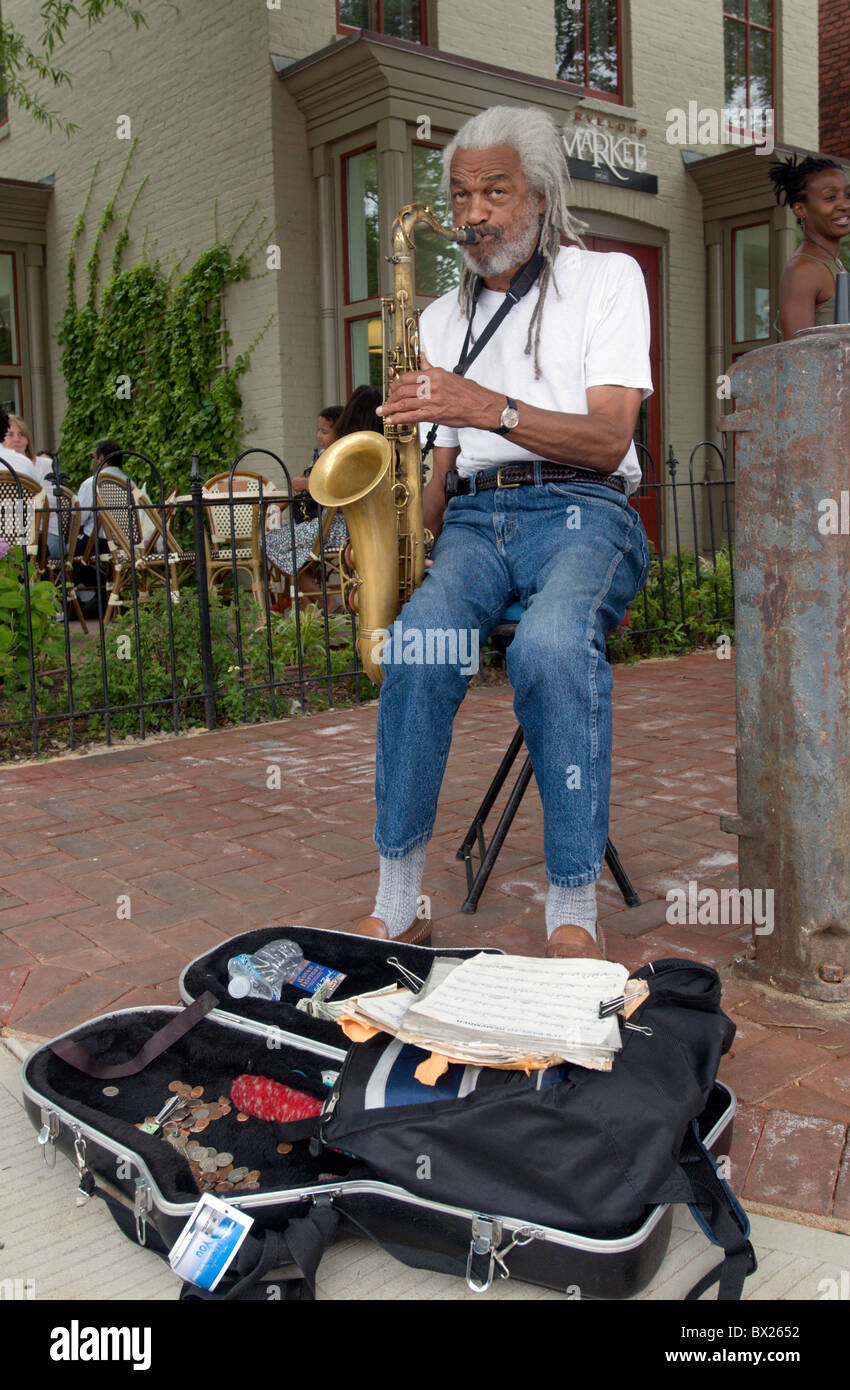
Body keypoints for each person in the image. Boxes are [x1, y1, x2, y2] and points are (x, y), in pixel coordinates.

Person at [348, 105, 651, 960]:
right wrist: (397, 520)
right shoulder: (438, 319)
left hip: (585, 509)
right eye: (460, 194)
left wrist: (485, 407)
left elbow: (609, 438)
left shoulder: (608, 281)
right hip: (476, 521)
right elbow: (440, 473)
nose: (472, 212)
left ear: (543, 196)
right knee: (417, 649)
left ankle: (572, 910)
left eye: (494, 190)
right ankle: (399, 899)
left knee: (551, 648)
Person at [264, 388, 378, 583]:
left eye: (324, 432)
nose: (319, 436)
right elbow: (296, 485)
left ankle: (318, 602)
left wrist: (307, 484)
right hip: (326, 525)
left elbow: (339, 495)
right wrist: (278, 504)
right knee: (286, 550)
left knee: (269, 542)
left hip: (336, 526)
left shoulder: (343, 456)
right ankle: (311, 603)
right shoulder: (321, 458)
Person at [771, 154, 850, 338]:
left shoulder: (833, 263)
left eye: (848, 195)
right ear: (800, 209)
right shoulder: (803, 271)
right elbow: (799, 359)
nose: (844, 204)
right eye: (830, 197)